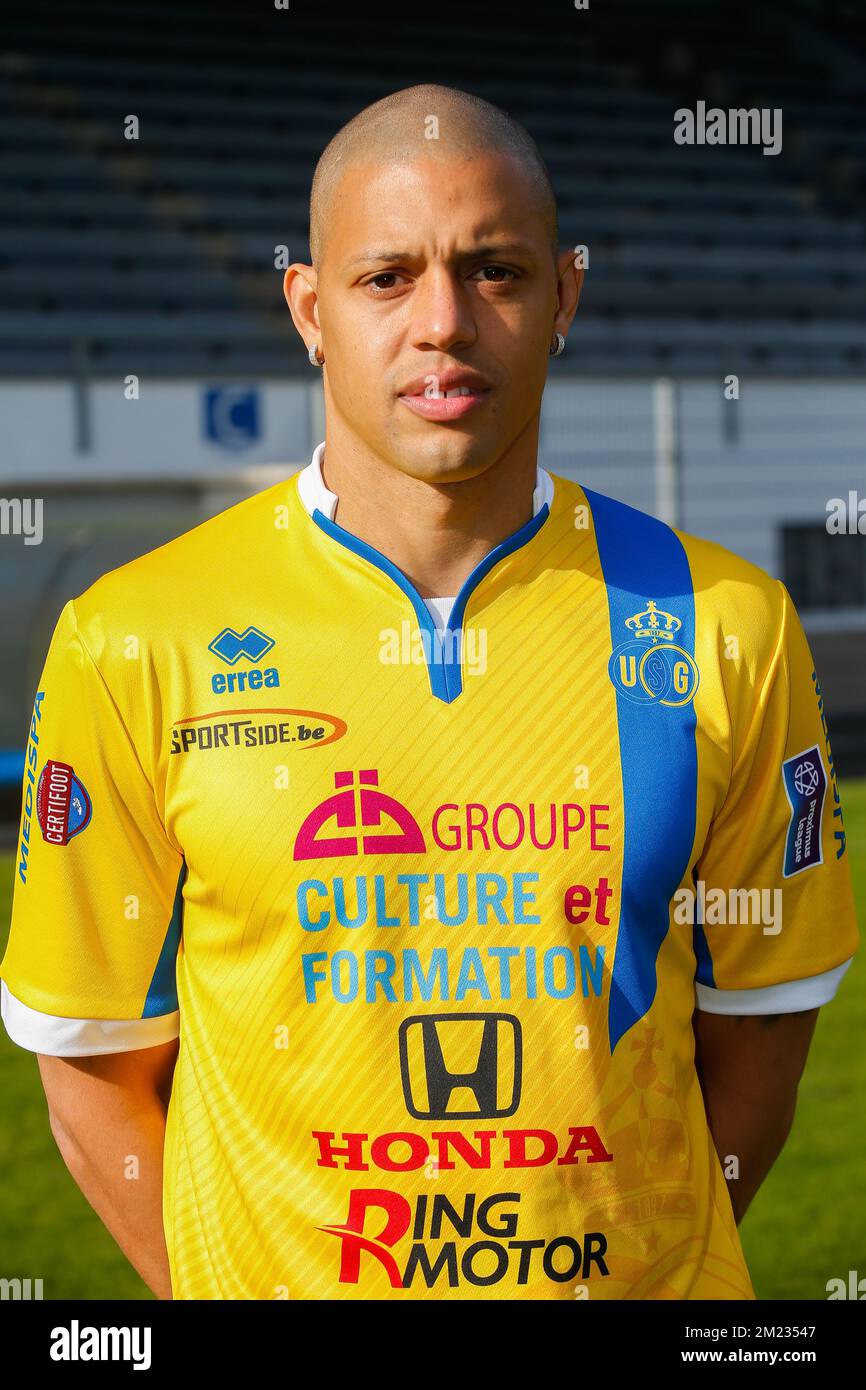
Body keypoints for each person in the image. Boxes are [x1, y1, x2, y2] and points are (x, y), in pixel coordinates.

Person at [1, 85, 858, 1301]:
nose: (443, 323)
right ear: (309, 308)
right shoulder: (134, 635)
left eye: (494, 271)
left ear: (563, 294)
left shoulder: (722, 624)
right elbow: (91, 1072)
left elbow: (762, 1030)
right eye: (386, 277)